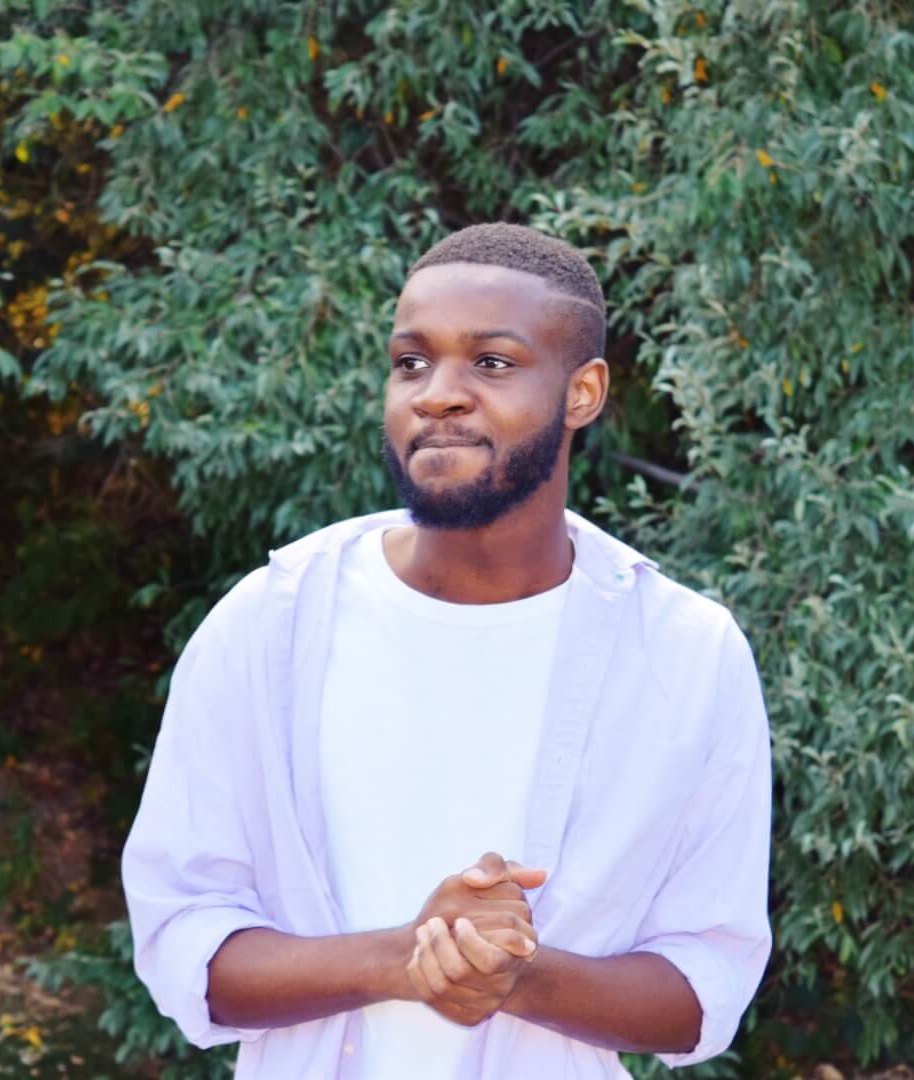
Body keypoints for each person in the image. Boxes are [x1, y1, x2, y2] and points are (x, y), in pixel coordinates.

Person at [121, 223, 772, 1078]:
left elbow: (703, 991)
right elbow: (184, 950)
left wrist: (517, 976)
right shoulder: (271, 623)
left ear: (583, 393)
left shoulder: (686, 655)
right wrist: (409, 958)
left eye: (492, 363)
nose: (437, 394)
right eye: (411, 362)